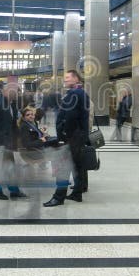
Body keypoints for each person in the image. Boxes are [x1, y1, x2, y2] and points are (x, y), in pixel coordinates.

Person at [44, 70, 89, 207]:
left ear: (76, 78)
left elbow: (70, 116)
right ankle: (77, 193)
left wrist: (63, 135)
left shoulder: (74, 93)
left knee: (63, 167)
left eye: (68, 78)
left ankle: (58, 197)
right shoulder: (82, 92)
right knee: (77, 165)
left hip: (72, 136)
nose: (65, 80)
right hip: (79, 135)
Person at [0, 81, 27, 200]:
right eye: (16, 91)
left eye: (18, 91)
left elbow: (12, 123)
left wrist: (19, 138)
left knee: (10, 167)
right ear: (6, 90)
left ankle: (14, 190)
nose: (18, 93)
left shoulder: (12, 103)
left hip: (8, 142)